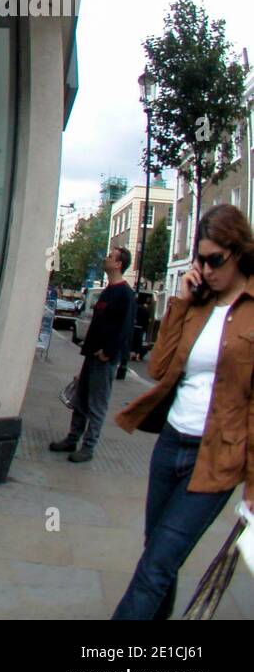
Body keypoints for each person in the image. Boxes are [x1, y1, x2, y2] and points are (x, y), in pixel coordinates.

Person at [112, 204, 254, 620]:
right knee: (157, 557)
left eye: (215, 260)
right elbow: (157, 368)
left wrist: (252, 486)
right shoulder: (197, 303)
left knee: (155, 566)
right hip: (171, 443)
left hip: (214, 460)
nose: (207, 269)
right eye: (201, 260)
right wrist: (180, 301)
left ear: (239, 251)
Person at [50, 246, 135, 463]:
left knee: (97, 404)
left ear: (118, 264)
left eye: (110, 257)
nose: (106, 259)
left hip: (104, 359)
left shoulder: (125, 294)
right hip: (92, 356)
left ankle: (88, 447)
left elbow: (125, 328)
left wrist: (108, 352)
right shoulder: (107, 291)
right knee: (81, 400)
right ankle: (72, 438)